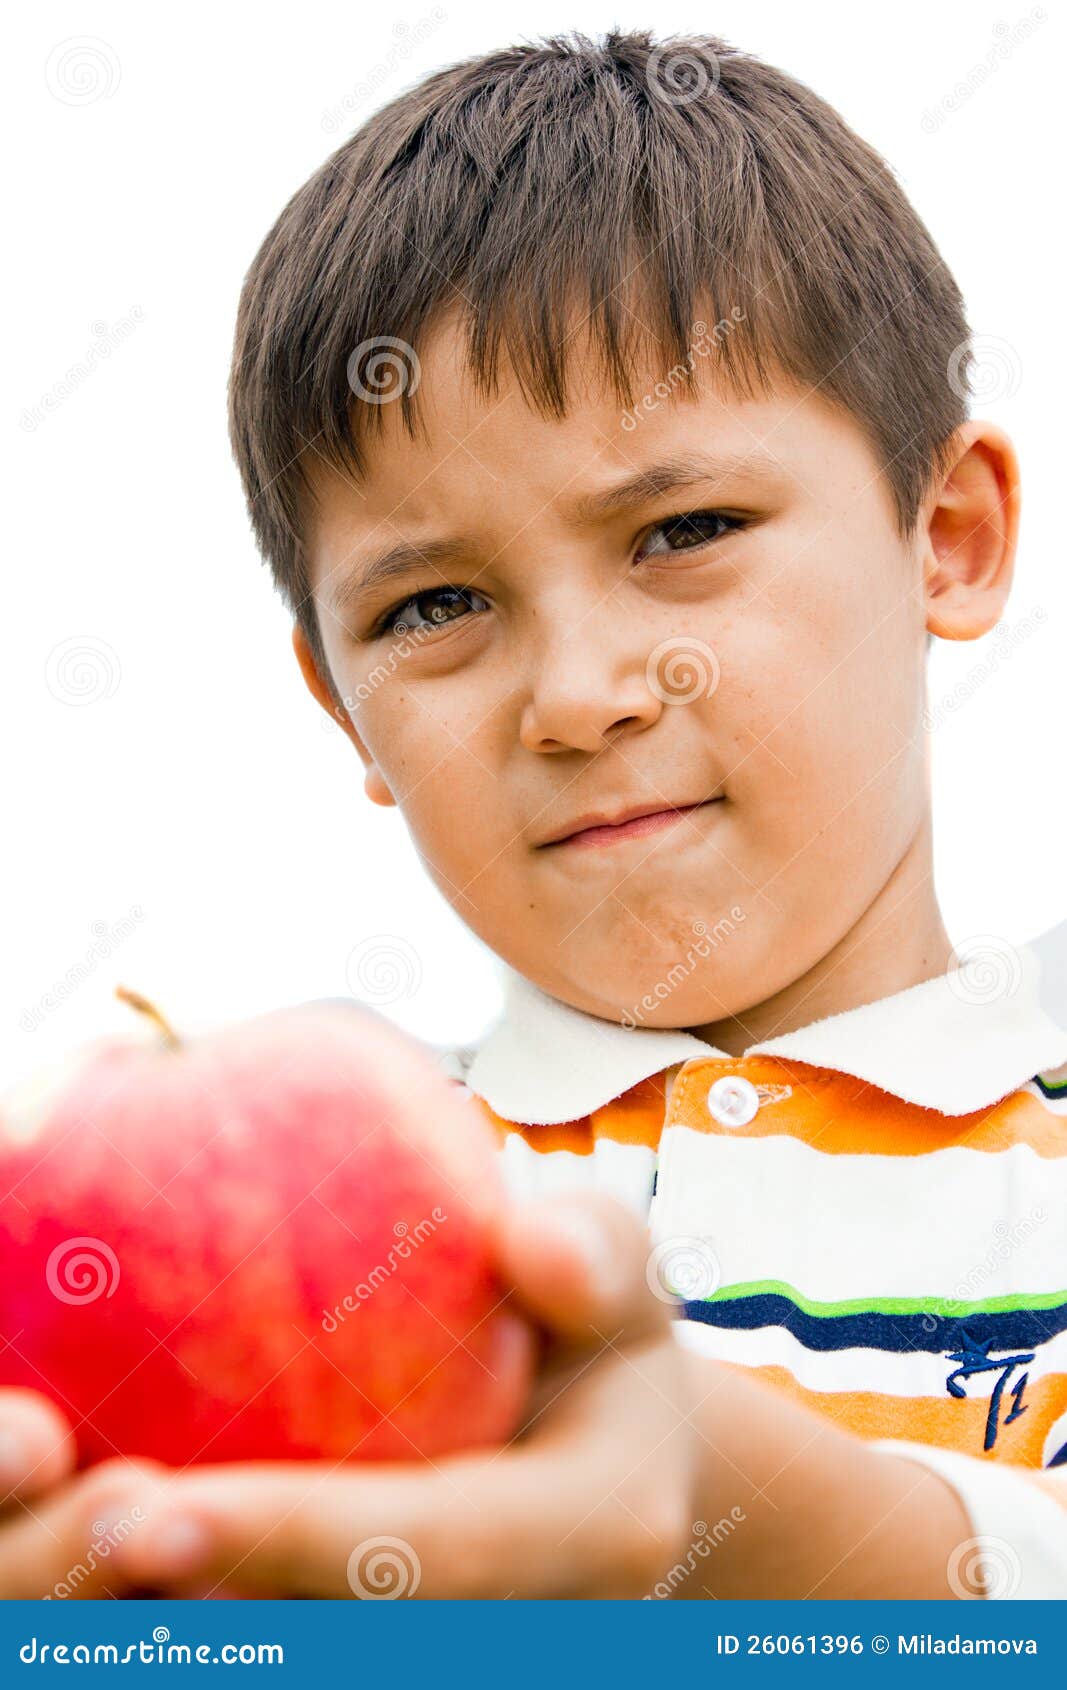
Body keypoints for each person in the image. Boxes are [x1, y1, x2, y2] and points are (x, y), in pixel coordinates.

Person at [3, 28, 1065, 1599]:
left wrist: (745, 1503)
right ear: (340, 705)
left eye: (685, 527)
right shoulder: (317, 1204)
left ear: (952, 538)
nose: (577, 695)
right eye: (434, 605)